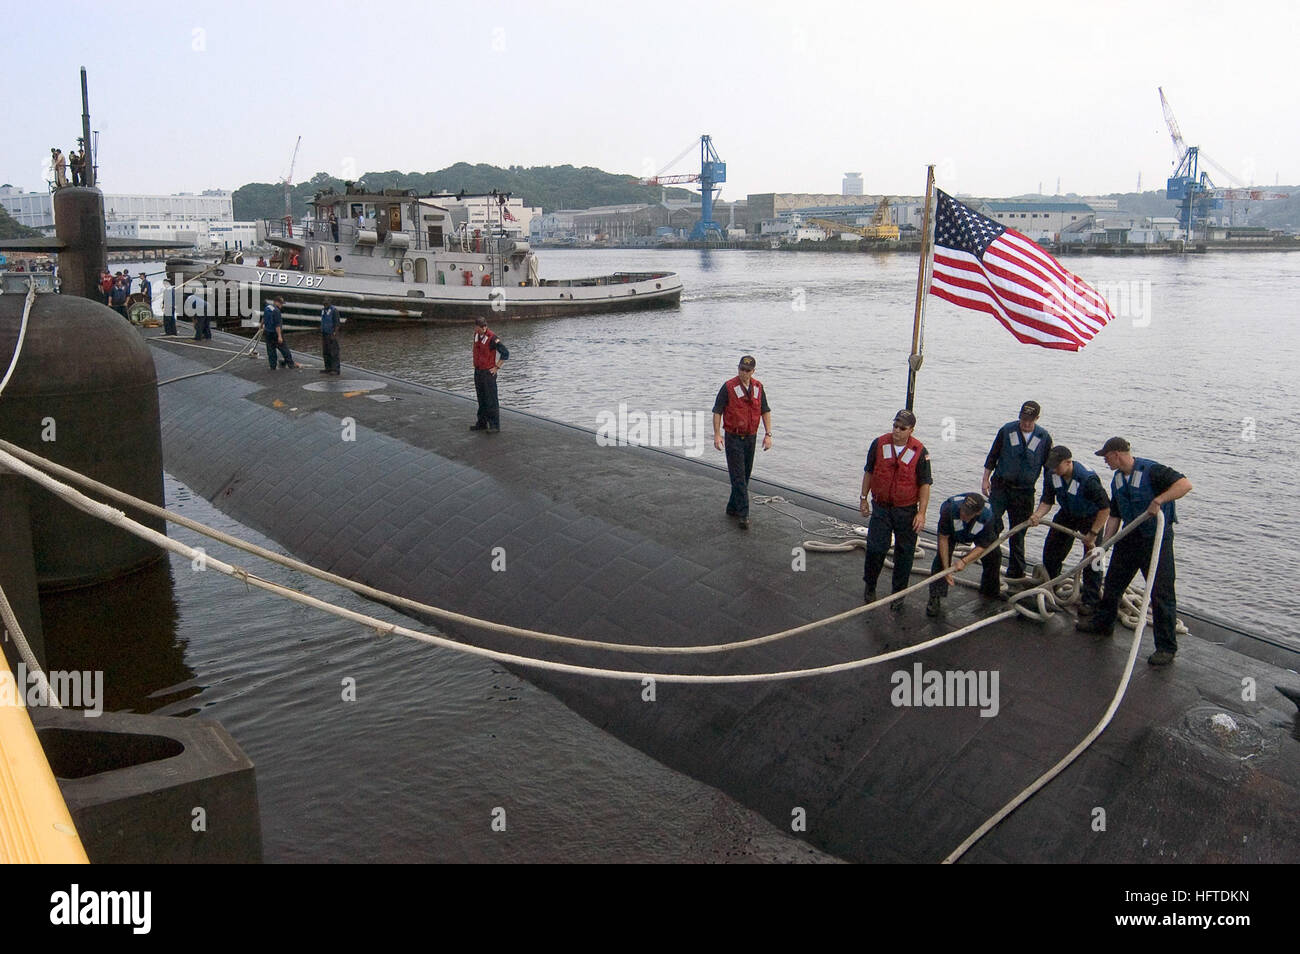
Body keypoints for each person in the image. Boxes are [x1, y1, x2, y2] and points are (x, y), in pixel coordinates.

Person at [1076, 439, 1191, 666]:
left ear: (1117, 454)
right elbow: (1116, 515)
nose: (1105, 461)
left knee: (1161, 592)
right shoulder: (1118, 480)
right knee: (1113, 584)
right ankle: (1104, 623)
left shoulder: (1153, 472)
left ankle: (1166, 647)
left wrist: (1159, 499)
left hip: (1155, 541)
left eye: (1106, 457)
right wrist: (1104, 545)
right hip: (1129, 540)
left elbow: (1185, 485)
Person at [860, 409, 932, 610]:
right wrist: (863, 498)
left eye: (902, 428)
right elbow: (869, 471)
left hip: (906, 510)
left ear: (911, 430)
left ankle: (899, 593)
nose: (897, 431)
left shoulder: (920, 452)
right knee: (875, 548)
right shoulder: (879, 444)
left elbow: (925, 484)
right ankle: (870, 585)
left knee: (905, 552)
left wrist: (921, 513)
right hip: (882, 507)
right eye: (895, 426)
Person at [1029, 445, 1109, 616]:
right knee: (1052, 550)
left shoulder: (1088, 480)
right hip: (1068, 512)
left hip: (1091, 516)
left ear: (1068, 462)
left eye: (1058, 466)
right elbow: (1047, 500)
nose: (1054, 469)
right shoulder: (1052, 474)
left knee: (1093, 559)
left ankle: (1090, 600)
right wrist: (1037, 515)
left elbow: (1105, 509)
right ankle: (1050, 589)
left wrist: (1093, 533)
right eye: (1052, 466)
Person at [982, 400, 1052, 581]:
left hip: (1025, 492)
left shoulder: (1044, 437)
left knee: (1019, 532)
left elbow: (1049, 468)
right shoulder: (1007, 430)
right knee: (992, 523)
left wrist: (1047, 497)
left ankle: (1016, 572)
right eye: (1023, 419)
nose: (1025, 423)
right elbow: (993, 455)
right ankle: (990, 566)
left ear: (1036, 418)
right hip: (1001, 487)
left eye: (1030, 420)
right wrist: (985, 479)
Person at [711, 354, 772, 529]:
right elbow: (717, 411)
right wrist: (717, 435)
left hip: (750, 438)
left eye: (747, 370)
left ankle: (732, 507)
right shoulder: (729, 387)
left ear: (753, 371)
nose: (743, 373)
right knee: (738, 477)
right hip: (733, 437)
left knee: (744, 476)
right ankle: (744, 515)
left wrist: (768, 434)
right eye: (741, 369)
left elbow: (765, 410)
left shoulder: (758, 388)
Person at [927, 492, 1001, 618]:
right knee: (941, 558)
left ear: (977, 513)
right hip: (952, 532)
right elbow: (943, 538)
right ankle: (935, 596)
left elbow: (983, 546)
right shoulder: (949, 509)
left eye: (967, 514)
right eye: (963, 511)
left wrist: (964, 561)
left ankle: (989, 593)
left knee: (995, 556)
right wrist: (946, 569)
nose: (963, 515)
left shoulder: (988, 517)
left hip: (977, 533)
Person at [469, 316, 508, 432]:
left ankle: (494, 425)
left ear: (484, 327)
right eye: (477, 328)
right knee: (481, 398)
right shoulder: (476, 335)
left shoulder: (492, 338)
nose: (477, 330)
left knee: (491, 399)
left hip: (488, 373)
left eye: (480, 328)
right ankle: (482, 422)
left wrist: (497, 367)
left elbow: (505, 353)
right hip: (478, 371)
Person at [262, 295, 296, 368]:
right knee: (284, 349)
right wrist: (280, 336)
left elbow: (264, 317)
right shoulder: (277, 311)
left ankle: (273, 366)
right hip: (275, 333)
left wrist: (261, 325)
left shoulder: (267, 308)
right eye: (280, 303)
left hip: (267, 333)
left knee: (271, 351)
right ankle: (291, 364)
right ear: (276, 302)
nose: (281, 305)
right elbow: (277, 325)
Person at [319, 299, 341, 374]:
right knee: (326, 351)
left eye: (326, 304)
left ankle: (335, 369)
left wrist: (334, 334)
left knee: (333, 352)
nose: (324, 305)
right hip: (324, 333)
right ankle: (328, 368)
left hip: (331, 334)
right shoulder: (323, 310)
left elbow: (337, 323)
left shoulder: (334, 311)